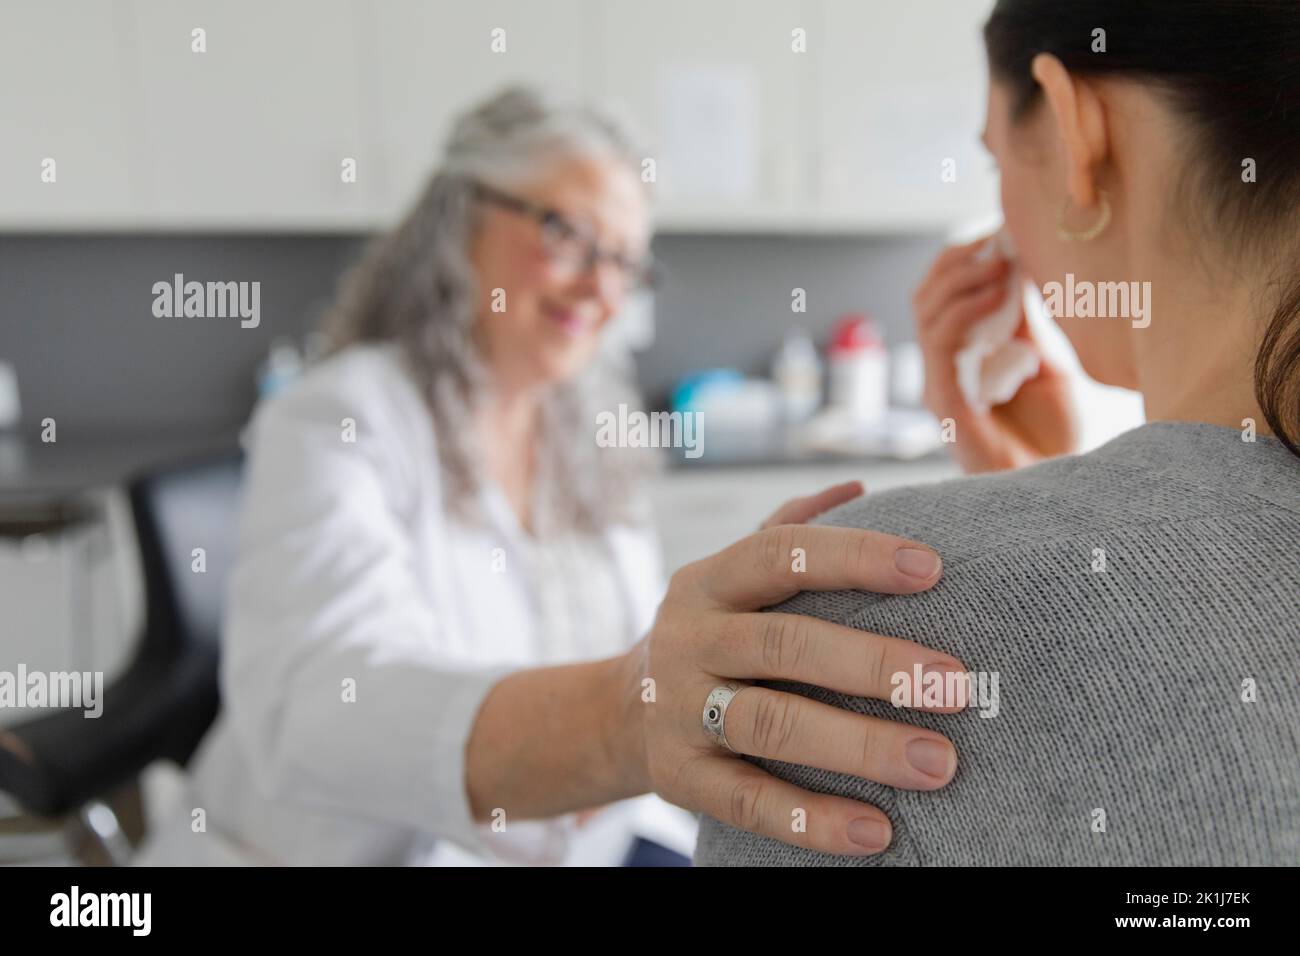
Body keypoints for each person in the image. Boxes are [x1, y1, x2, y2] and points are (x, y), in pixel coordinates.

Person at [137, 88, 968, 866]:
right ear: (459, 219)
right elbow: (318, 712)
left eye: (625, 261)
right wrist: (624, 721)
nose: (603, 286)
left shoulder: (590, 438)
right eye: (567, 233)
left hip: (583, 838)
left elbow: (640, 648)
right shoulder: (338, 417)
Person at [694, 0, 1300, 866]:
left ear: (1073, 126)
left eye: (994, 162)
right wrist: (1046, 496)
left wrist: (1032, 532)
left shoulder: (861, 627)